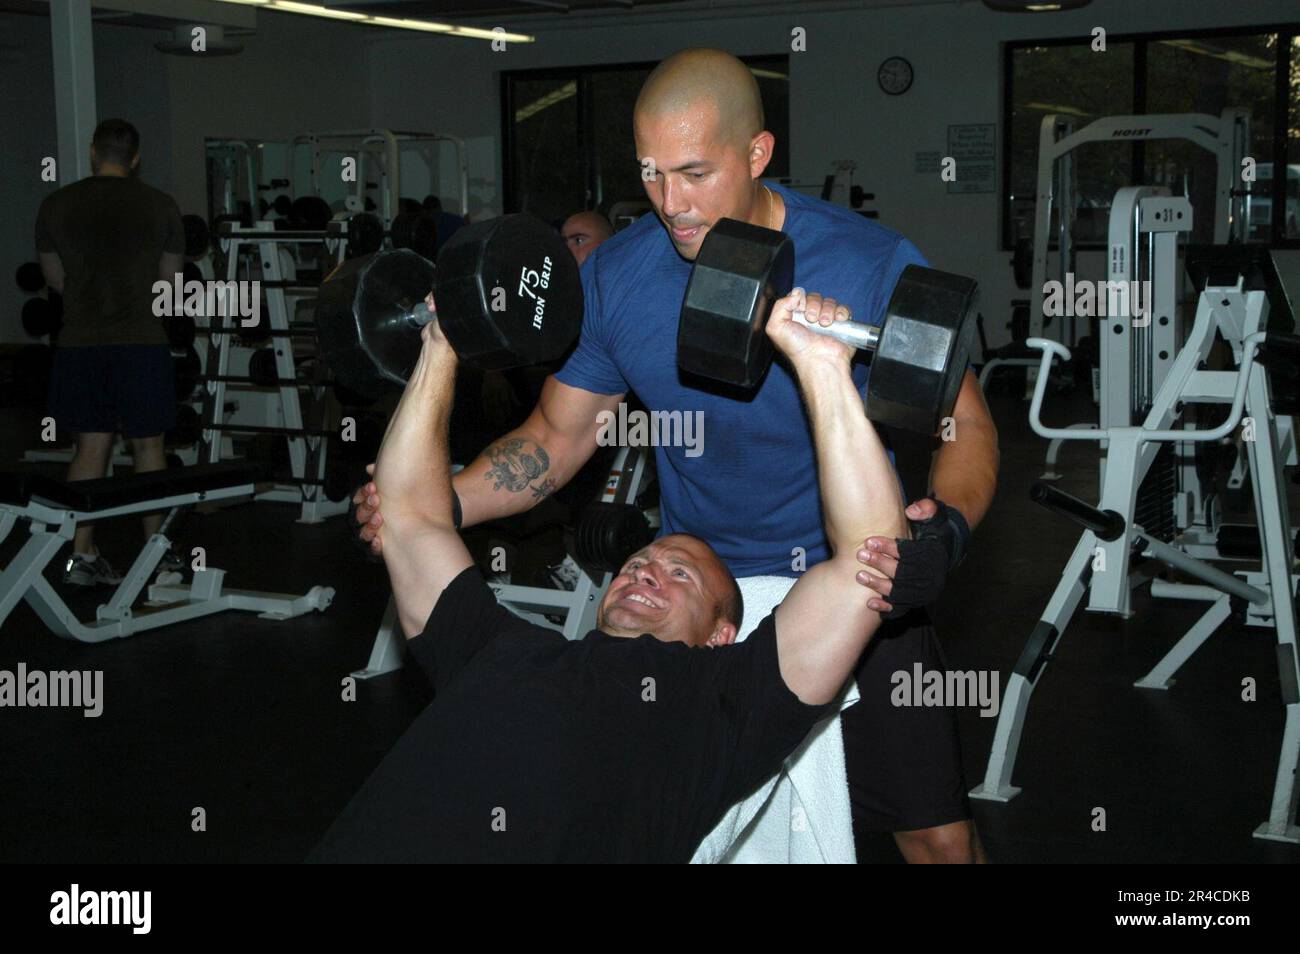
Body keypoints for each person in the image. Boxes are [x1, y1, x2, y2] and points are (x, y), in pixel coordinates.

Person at [357, 48, 999, 863]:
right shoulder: (621, 276)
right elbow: (556, 438)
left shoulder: (867, 261)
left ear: (757, 154)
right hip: (704, 598)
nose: (671, 203)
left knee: (939, 839)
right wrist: (435, 508)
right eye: (652, 174)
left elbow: (966, 428)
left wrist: (949, 532)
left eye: (694, 172)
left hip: (856, 573)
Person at [312, 283, 907, 862]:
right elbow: (411, 516)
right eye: (639, 562)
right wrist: (443, 342)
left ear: (722, 636)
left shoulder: (728, 704)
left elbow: (869, 555)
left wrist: (824, 365)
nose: (646, 571)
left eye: (681, 575)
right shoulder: (499, 646)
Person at [36, 118, 186, 586]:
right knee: (148, 447)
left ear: (93, 152)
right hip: (141, 342)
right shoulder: (162, 205)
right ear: (135, 158)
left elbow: (54, 280)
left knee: (90, 446)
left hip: (81, 343)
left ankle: (80, 556)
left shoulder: (56, 203)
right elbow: (169, 283)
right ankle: (157, 558)